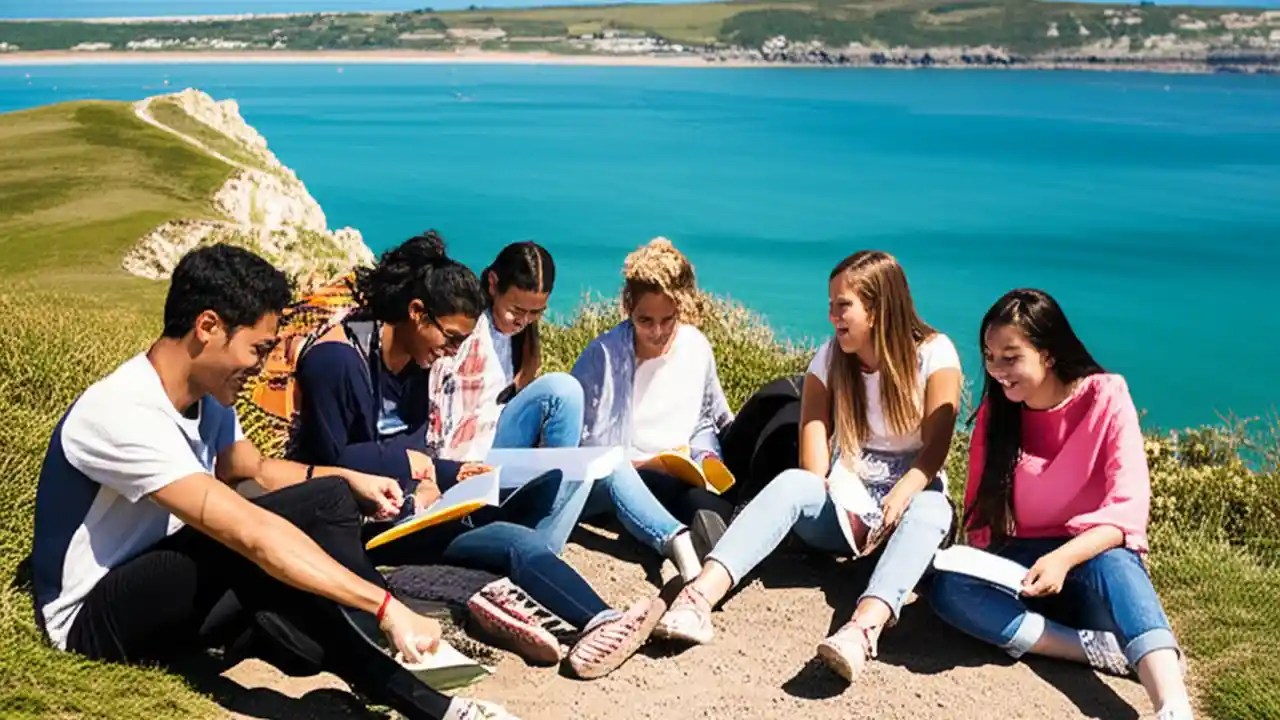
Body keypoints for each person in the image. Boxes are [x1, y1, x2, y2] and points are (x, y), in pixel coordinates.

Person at [30, 244, 516, 720]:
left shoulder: (208, 397)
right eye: (257, 349)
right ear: (207, 327)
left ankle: (423, 694)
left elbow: (254, 469)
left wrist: (348, 477)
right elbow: (249, 531)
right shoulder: (122, 411)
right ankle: (415, 666)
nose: (262, 368)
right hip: (91, 624)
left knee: (305, 633)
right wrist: (385, 604)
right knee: (285, 536)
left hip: (161, 587)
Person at [287, 232, 662, 678]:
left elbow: (418, 447)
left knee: (516, 524)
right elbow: (332, 458)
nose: (451, 353)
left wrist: (450, 471)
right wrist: (410, 468)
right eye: (449, 339)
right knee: (513, 539)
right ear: (416, 313)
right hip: (362, 522)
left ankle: (592, 620)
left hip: (410, 510)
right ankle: (594, 621)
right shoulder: (338, 362)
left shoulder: (414, 362)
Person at [654, 250, 960, 686]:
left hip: (910, 501)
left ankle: (861, 630)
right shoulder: (831, 359)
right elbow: (812, 467)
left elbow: (936, 450)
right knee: (795, 484)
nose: (832, 315)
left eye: (843, 305)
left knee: (932, 511)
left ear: (878, 307)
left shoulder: (934, 353)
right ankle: (699, 597)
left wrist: (904, 492)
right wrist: (818, 499)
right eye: (831, 304)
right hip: (848, 506)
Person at [928, 289, 1192, 720]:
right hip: (1024, 570)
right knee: (951, 588)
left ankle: (1173, 705)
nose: (996, 371)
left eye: (1010, 358)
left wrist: (1062, 560)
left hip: (1087, 563)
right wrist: (975, 565)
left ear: (1048, 355)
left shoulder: (1106, 396)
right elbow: (980, 512)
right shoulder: (999, 412)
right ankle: (1090, 650)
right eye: (990, 357)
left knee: (1117, 561)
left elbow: (1125, 514)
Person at [569, 237, 736, 578]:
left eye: (668, 320)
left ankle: (705, 556)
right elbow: (582, 448)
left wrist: (705, 459)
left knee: (710, 502)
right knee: (679, 499)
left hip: (678, 469)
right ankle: (682, 547)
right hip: (622, 474)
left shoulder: (696, 347)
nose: (657, 332)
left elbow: (708, 420)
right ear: (628, 307)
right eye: (646, 321)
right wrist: (647, 463)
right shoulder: (603, 356)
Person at [428, 240, 583, 461]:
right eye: (517, 310)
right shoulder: (465, 329)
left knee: (614, 467)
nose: (524, 321)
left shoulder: (523, 339)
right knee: (563, 390)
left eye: (535, 313)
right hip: (464, 452)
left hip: (499, 438)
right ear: (492, 284)